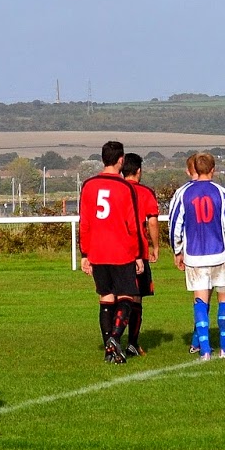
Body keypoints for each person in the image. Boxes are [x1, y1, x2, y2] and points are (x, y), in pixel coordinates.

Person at [169, 152, 225, 359]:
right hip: (220, 254)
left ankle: (205, 350)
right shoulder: (222, 192)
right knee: (224, 296)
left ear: (193, 168)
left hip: (195, 256)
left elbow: (176, 224)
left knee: (200, 300)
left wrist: (177, 250)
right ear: (213, 169)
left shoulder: (183, 193)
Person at [79, 140, 144, 365]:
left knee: (105, 298)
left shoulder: (88, 185)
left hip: (97, 250)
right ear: (121, 160)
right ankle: (115, 338)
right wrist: (138, 255)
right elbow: (133, 224)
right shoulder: (125, 187)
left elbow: (84, 222)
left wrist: (84, 253)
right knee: (126, 296)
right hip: (121, 250)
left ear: (102, 159)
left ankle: (109, 351)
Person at [121, 152, 160, 357]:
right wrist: (155, 247)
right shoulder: (145, 192)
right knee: (136, 299)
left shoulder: (115, 190)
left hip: (115, 251)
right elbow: (152, 221)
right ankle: (132, 343)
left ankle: (113, 339)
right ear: (138, 170)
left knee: (114, 297)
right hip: (137, 251)